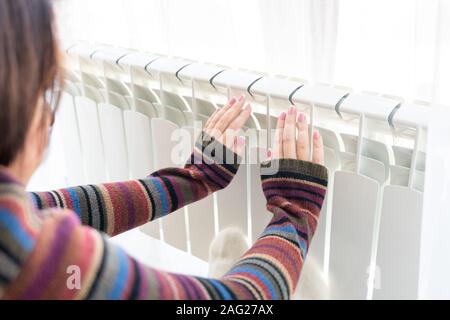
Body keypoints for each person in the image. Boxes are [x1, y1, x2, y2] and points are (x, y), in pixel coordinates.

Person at [0, 0, 328, 299]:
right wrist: (296, 211)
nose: (50, 114)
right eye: (42, 90)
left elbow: (48, 208)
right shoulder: (34, 266)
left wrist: (192, 179)